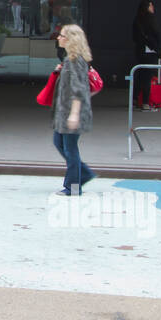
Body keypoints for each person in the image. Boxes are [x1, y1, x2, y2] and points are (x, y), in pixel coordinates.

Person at [52, 24, 96, 196]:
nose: (58, 38)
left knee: (70, 149)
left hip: (71, 112)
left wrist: (74, 114)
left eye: (62, 35)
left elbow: (78, 90)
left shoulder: (75, 61)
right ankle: (83, 173)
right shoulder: (70, 60)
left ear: (71, 40)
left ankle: (73, 186)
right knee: (59, 143)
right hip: (64, 112)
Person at [132, 0, 161, 111]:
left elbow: (134, 37)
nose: (153, 7)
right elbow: (157, 34)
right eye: (151, 6)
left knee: (139, 74)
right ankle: (145, 102)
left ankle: (134, 99)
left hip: (140, 51)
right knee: (147, 77)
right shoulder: (151, 19)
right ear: (147, 7)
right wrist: (158, 47)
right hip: (150, 51)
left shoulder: (137, 19)